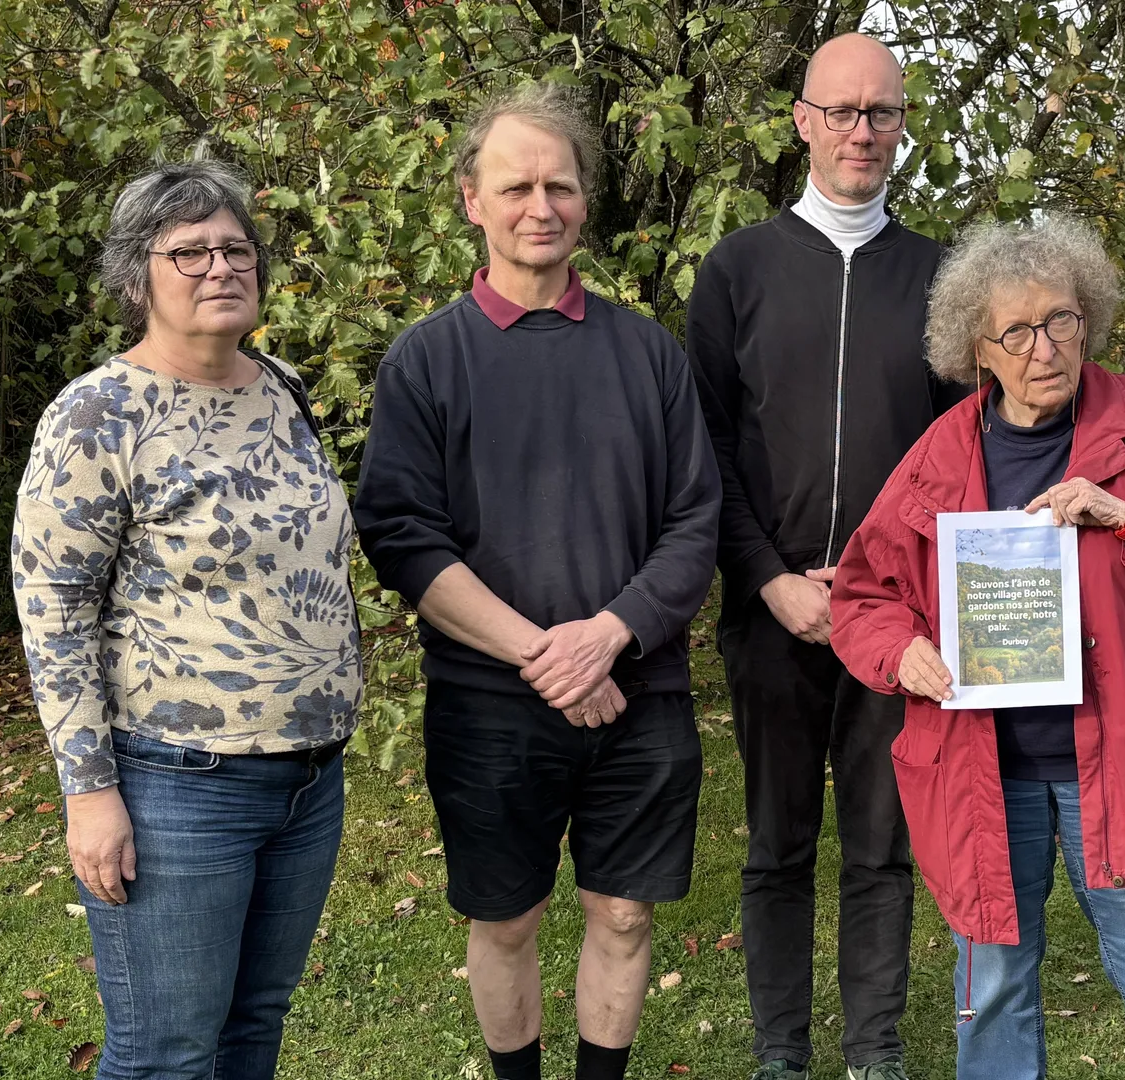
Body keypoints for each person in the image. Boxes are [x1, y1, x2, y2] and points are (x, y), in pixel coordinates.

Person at [829, 215, 1125, 1080]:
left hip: (1121, 759)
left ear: (1086, 318)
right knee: (994, 985)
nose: (1045, 347)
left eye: (1061, 319)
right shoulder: (939, 457)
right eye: (1018, 332)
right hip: (983, 769)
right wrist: (902, 652)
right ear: (979, 351)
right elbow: (863, 595)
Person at [353, 81, 720, 1080]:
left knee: (625, 913)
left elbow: (695, 521)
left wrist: (607, 636)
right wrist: (546, 657)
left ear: (584, 200)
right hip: (488, 701)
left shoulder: (649, 354)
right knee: (507, 921)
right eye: (516, 186)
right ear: (473, 200)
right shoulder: (427, 360)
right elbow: (402, 537)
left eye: (560, 185)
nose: (540, 205)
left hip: (638, 691)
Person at [11, 160, 361, 1078]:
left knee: (255, 1025)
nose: (221, 268)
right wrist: (89, 793)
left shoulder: (281, 386)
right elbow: (53, 612)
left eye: (237, 248)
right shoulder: (96, 415)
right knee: (165, 1052)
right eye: (191, 252)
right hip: (178, 786)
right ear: (139, 276)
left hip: (309, 779)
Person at [685, 31, 969, 1080]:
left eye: (881, 113)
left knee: (881, 844)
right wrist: (766, 577)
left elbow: (961, 455)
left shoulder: (941, 278)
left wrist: (888, 583)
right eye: (842, 112)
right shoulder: (738, 270)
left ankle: (875, 1047)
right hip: (773, 610)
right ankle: (781, 1051)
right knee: (778, 844)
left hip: (896, 614)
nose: (862, 131)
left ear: (902, 126)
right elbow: (707, 448)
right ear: (802, 121)